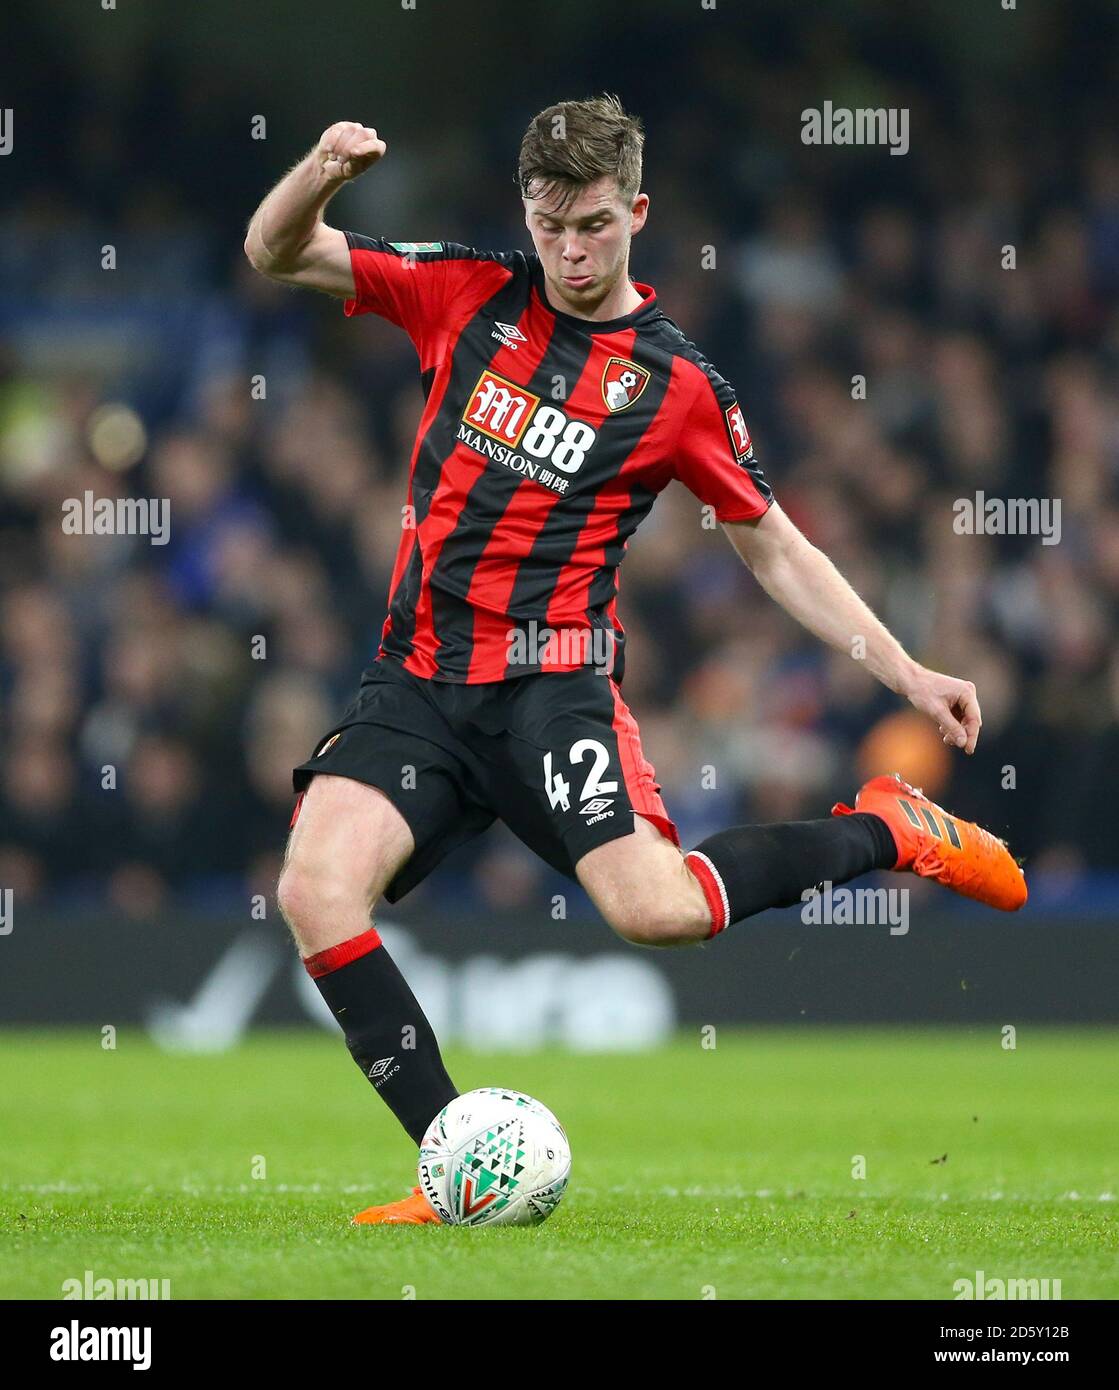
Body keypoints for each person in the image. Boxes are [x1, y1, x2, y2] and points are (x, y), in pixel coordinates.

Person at [244, 95, 1026, 1225]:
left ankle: (892, 829)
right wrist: (320, 170)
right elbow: (275, 251)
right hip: (416, 679)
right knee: (313, 889)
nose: (571, 251)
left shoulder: (676, 386)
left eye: (595, 225)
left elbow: (775, 546)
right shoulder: (464, 292)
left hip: (551, 692)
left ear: (638, 214)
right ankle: (455, 1158)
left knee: (657, 912)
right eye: (551, 225)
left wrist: (907, 673)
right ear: (526, 213)